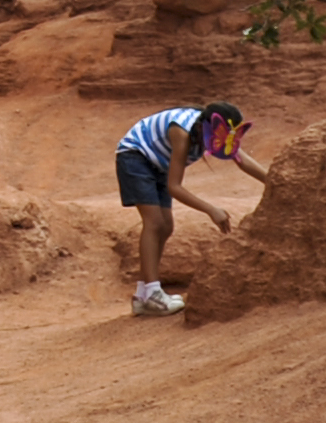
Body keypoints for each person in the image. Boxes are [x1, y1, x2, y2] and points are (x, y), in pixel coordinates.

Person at [114, 101, 266, 317]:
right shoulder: (183, 133)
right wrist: (210, 209)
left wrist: (274, 181)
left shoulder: (215, 134)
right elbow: (174, 187)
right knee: (154, 223)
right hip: (136, 156)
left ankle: (143, 295)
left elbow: (242, 160)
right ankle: (152, 293)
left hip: (159, 163)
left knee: (166, 227)